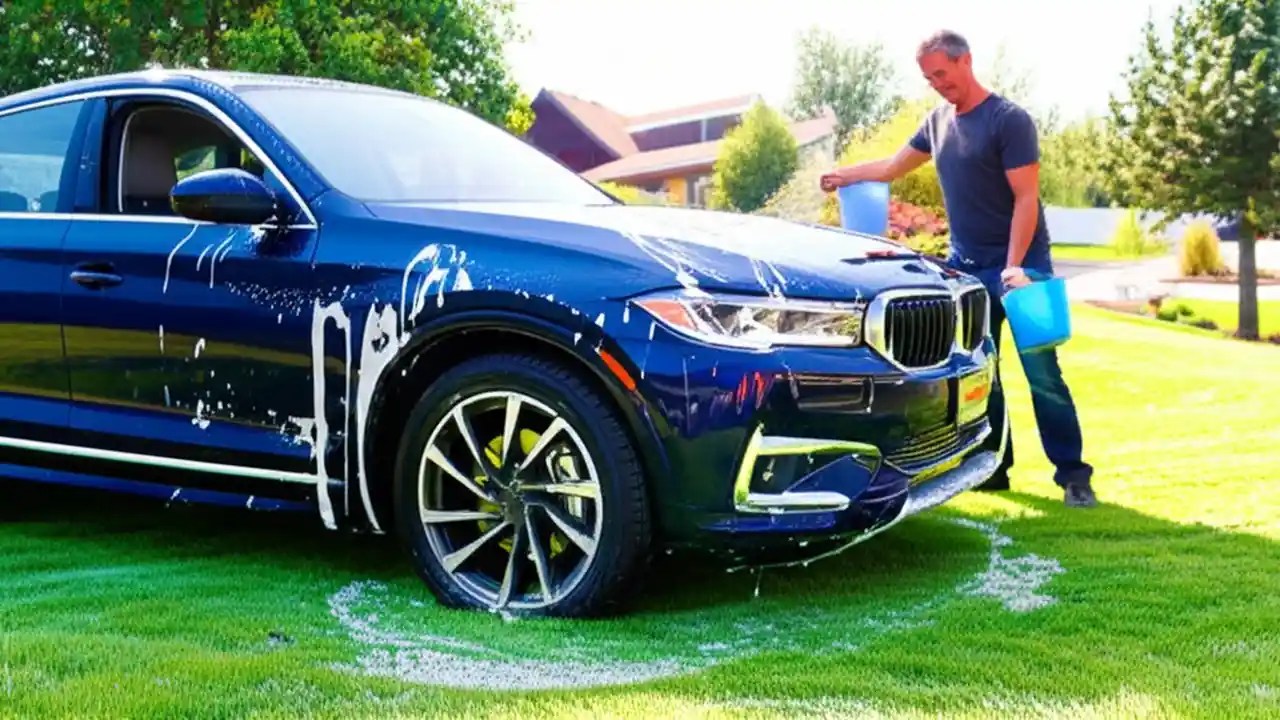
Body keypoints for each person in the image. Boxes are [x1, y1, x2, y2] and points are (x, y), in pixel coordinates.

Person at [820, 29, 1097, 508]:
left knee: (1043, 377)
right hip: (967, 273)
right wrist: (846, 175)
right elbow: (892, 168)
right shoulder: (937, 122)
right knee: (982, 376)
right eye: (929, 79)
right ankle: (995, 467)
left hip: (1023, 270)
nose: (937, 84)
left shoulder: (1008, 120)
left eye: (942, 74)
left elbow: (1026, 198)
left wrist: (1014, 267)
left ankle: (1074, 477)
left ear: (965, 61)